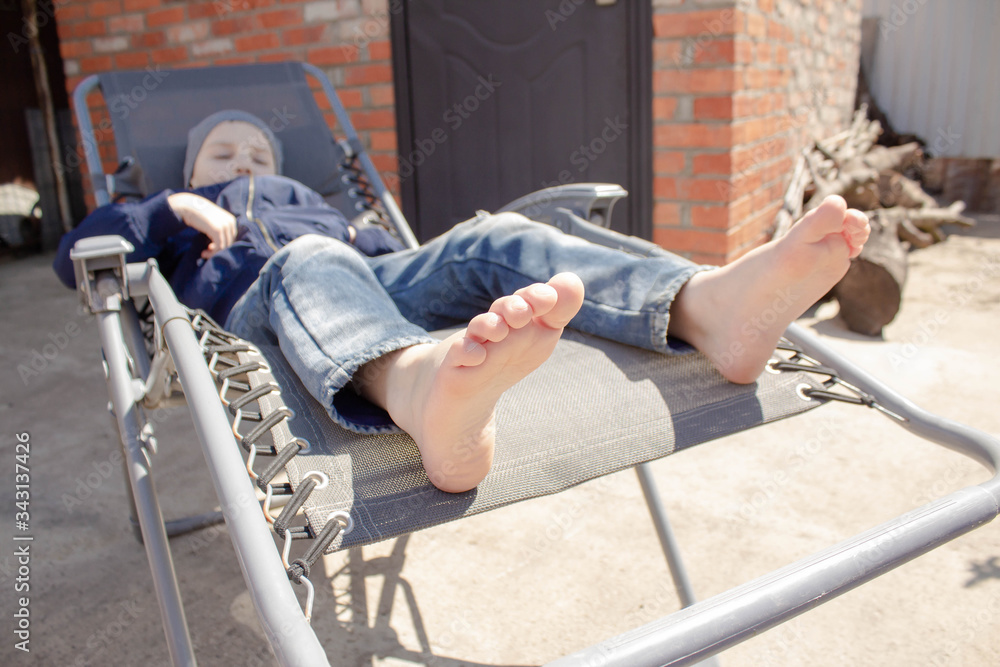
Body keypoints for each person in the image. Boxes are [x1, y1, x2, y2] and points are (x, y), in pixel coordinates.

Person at [54, 111, 870, 493]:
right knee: (310, 255)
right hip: (252, 320)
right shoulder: (174, 219)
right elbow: (73, 256)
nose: (246, 159)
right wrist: (167, 210)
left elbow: (377, 262)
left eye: (259, 150)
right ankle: (418, 388)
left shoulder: (318, 207)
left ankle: (701, 305)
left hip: (355, 280)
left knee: (494, 235)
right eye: (224, 154)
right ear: (197, 171)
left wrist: (381, 247)